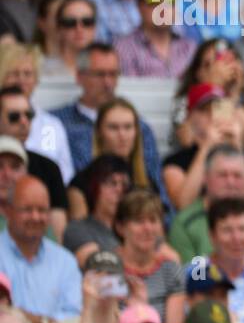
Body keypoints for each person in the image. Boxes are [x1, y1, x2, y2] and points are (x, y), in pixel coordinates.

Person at [52, 43, 162, 176]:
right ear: (79, 76)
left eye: (113, 74)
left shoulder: (139, 126)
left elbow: (154, 181)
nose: (108, 83)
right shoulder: (56, 123)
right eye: (100, 74)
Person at [168, 145, 244, 264]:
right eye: (223, 175)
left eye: (237, 175)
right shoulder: (185, 224)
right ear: (205, 178)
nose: (230, 182)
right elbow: (188, 277)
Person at [0, 177, 82, 323]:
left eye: (42, 210)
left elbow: (73, 316)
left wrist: (38, 321)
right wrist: (46, 321)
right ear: (8, 211)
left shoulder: (65, 261)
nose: (36, 217)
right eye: (27, 209)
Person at [0, 45, 73, 183]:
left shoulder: (50, 126)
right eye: (14, 74)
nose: (21, 80)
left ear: (36, 80)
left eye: (27, 74)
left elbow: (64, 174)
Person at [113, 190, 184, 323]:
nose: (148, 228)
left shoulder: (170, 269)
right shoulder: (108, 269)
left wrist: (142, 311)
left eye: (153, 220)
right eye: (139, 221)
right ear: (120, 227)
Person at [0, 90, 67, 231]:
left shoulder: (49, 168)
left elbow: (57, 232)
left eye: (29, 115)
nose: (24, 122)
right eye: (14, 116)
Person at [114, 0, 197, 79]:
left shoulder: (190, 48)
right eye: (154, 2)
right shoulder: (123, 49)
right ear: (139, 6)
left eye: (169, 2)